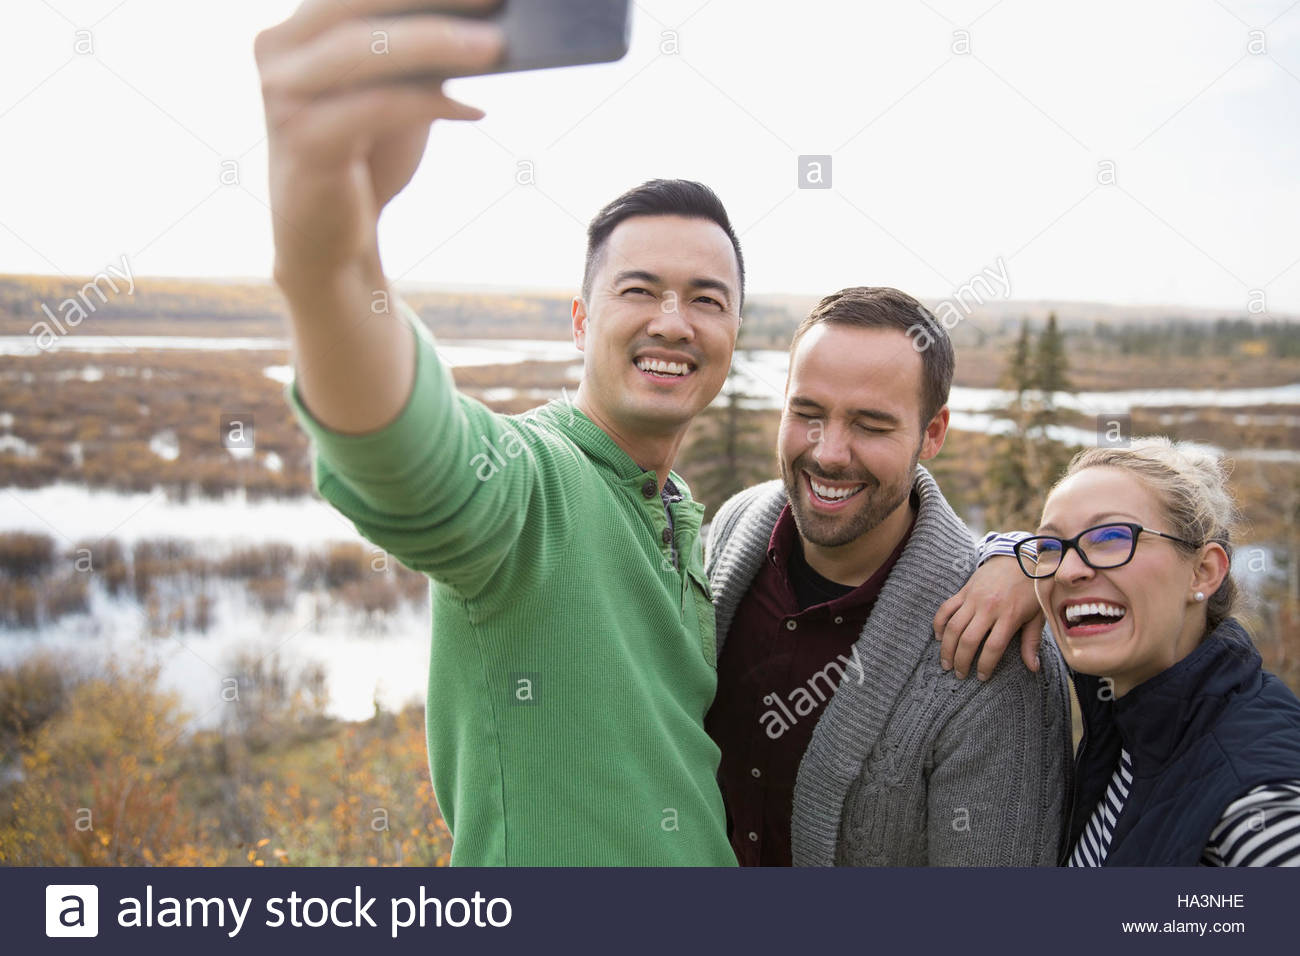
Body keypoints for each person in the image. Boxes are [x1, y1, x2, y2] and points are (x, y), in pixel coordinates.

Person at [257, 0, 1042, 866]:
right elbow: (410, 455)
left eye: (707, 299)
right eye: (640, 290)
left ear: (734, 335)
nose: (675, 321)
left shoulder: (699, 522)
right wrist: (328, 247)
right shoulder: (532, 486)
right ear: (580, 318)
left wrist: (1021, 555)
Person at [704, 287, 1072, 866]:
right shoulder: (735, 529)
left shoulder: (988, 651)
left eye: (871, 425)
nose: (829, 453)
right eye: (807, 413)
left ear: (933, 433)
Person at [1010, 438, 1300, 866]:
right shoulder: (1123, 731)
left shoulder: (1258, 795)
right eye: (1049, 547)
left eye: (1111, 537)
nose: (1069, 570)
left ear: (1203, 572)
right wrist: (996, 558)